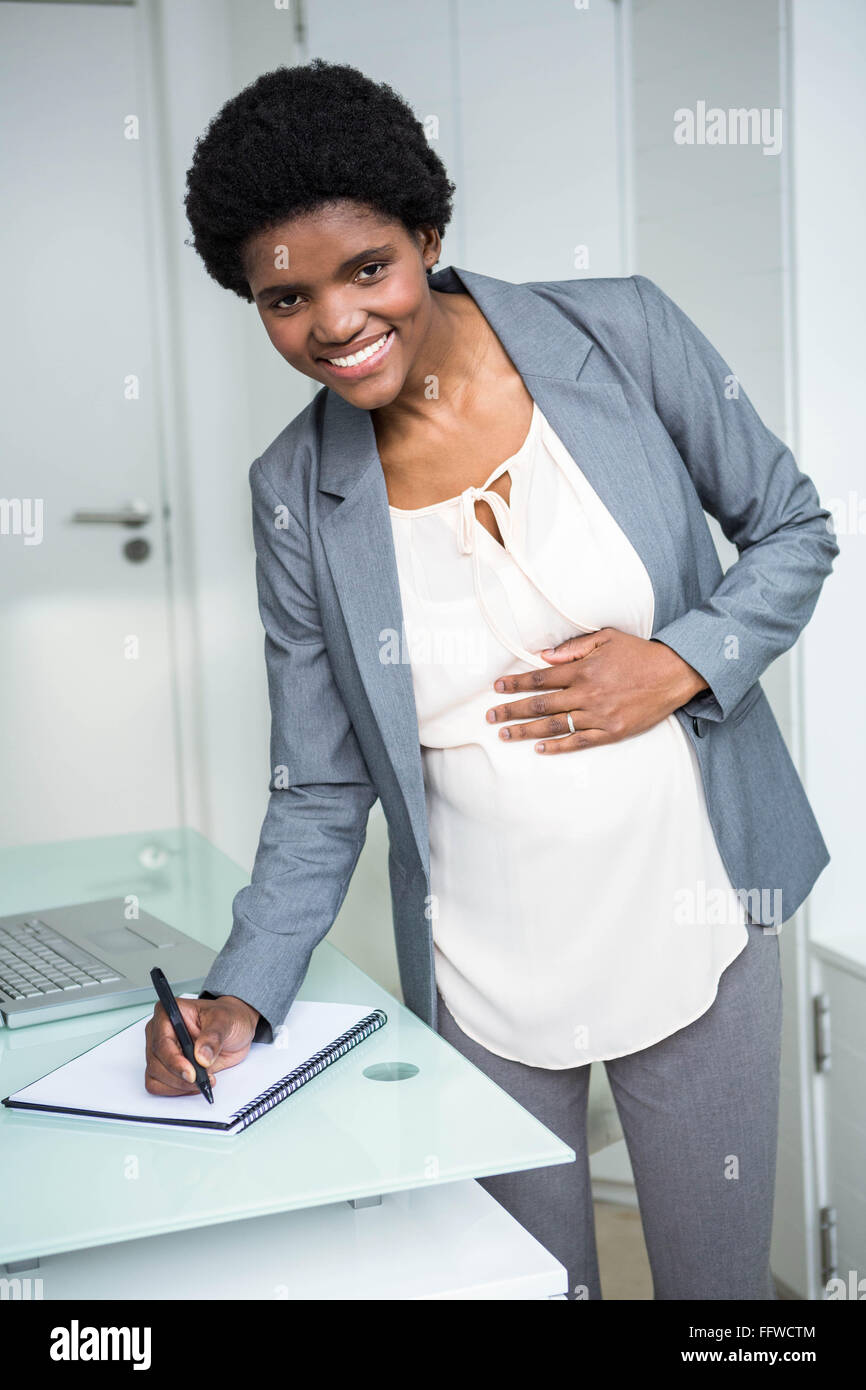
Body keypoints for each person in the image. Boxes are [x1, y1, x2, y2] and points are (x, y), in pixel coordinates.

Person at [144, 59, 838, 1299]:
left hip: (695, 917)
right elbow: (317, 786)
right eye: (283, 297)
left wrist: (679, 661)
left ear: (427, 232)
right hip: (478, 965)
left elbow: (791, 526)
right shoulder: (294, 496)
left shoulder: (618, 331)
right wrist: (239, 991)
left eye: (367, 269)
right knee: (523, 1292)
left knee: (721, 1305)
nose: (335, 323)